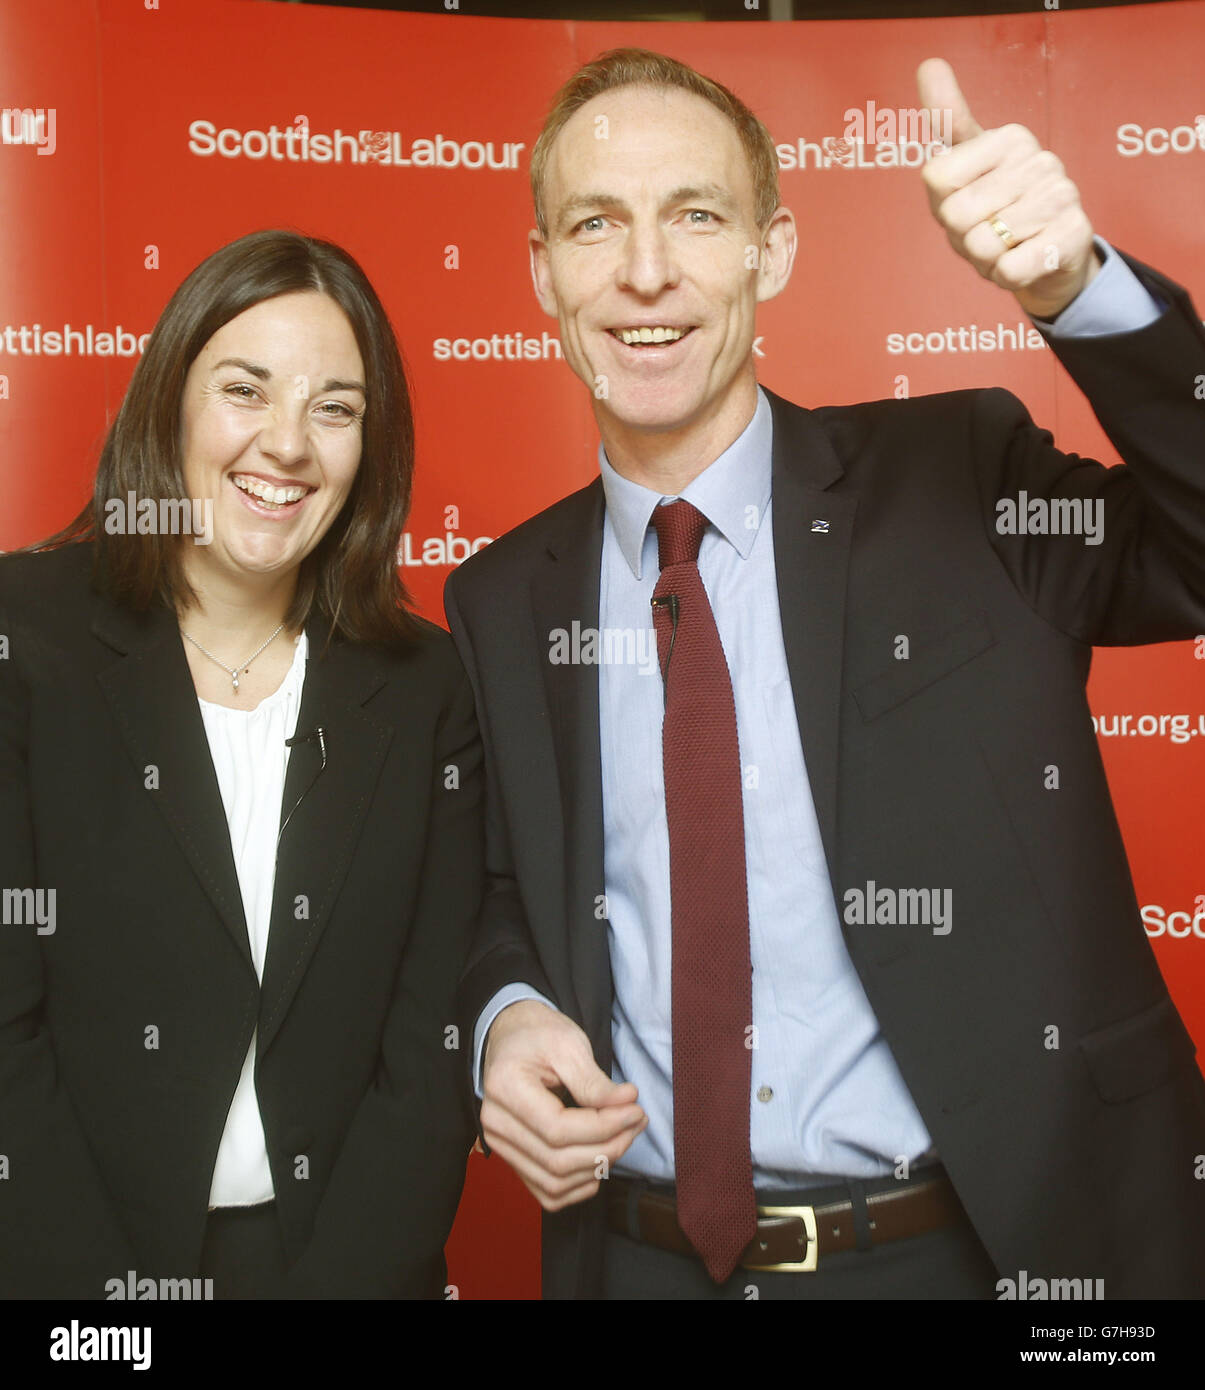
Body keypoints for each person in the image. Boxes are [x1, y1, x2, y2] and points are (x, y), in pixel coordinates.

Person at [443, 48, 1205, 1300]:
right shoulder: (494, 599)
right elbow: (483, 888)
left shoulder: (958, 475)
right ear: (542, 272)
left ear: (772, 252)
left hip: (985, 1250)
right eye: (595, 224)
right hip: (638, 1264)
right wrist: (502, 1009)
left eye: (696, 215)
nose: (644, 271)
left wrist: (1078, 293)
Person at [0, 229, 482, 1299]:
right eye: (246, 390)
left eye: (335, 408)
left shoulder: (423, 688)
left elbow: (424, 1054)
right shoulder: (21, 641)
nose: (288, 444)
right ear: (171, 398)